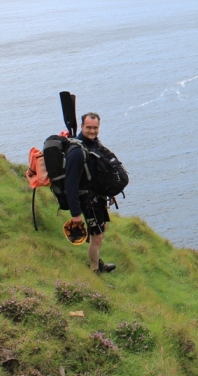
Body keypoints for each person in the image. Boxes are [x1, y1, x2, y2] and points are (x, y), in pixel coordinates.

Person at [64, 112, 116, 274]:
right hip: (87, 200)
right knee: (97, 235)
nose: (92, 131)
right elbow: (70, 185)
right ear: (82, 127)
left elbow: (96, 173)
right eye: (89, 128)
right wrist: (76, 214)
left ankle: (97, 262)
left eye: (95, 128)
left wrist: (109, 192)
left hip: (97, 197)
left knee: (102, 229)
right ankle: (95, 271)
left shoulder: (93, 144)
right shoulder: (77, 152)